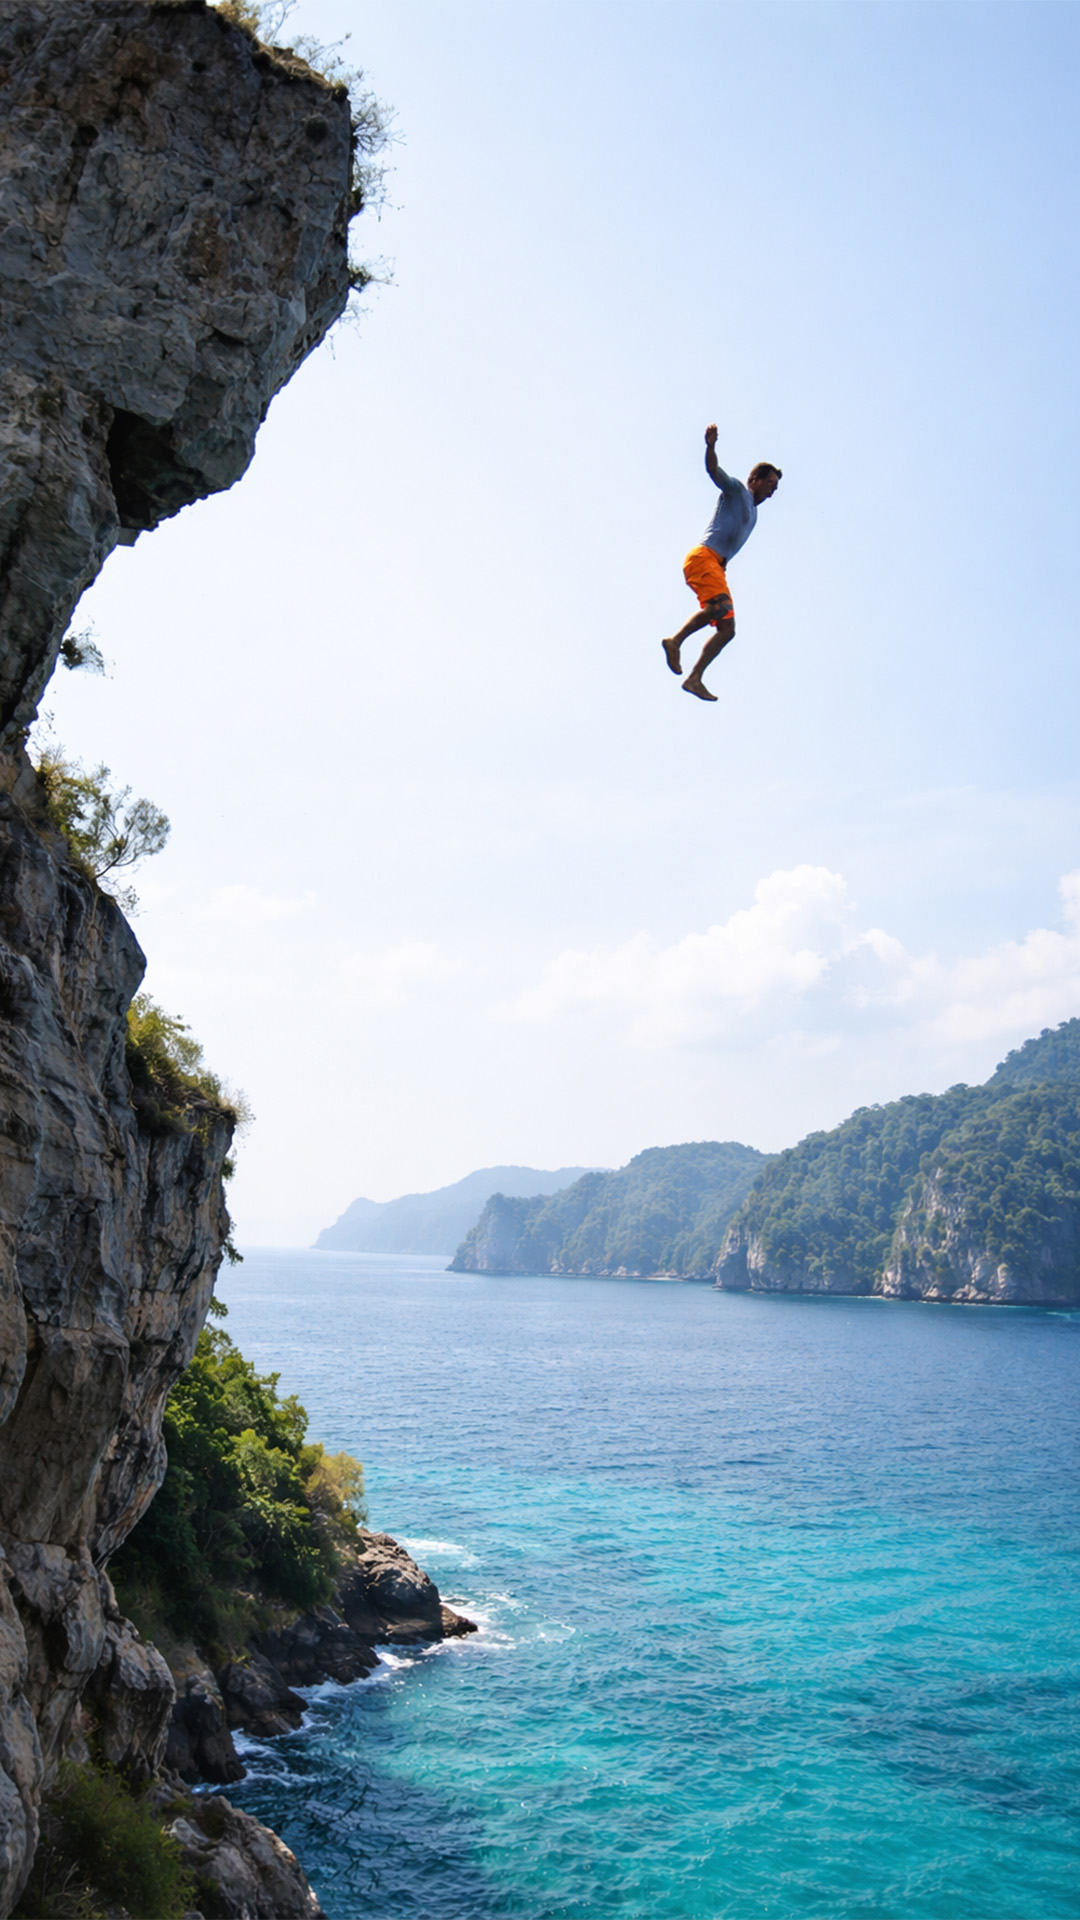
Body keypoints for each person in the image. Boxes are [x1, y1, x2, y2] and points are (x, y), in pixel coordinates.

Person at [662, 426, 781, 701]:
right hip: (703, 558)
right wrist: (710, 447)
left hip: (715, 566)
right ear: (755, 479)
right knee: (722, 608)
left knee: (728, 629)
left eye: (775, 487)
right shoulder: (738, 490)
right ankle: (675, 641)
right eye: (770, 483)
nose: (773, 491)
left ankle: (694, 678)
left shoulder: (754, 515)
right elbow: (714, 472)